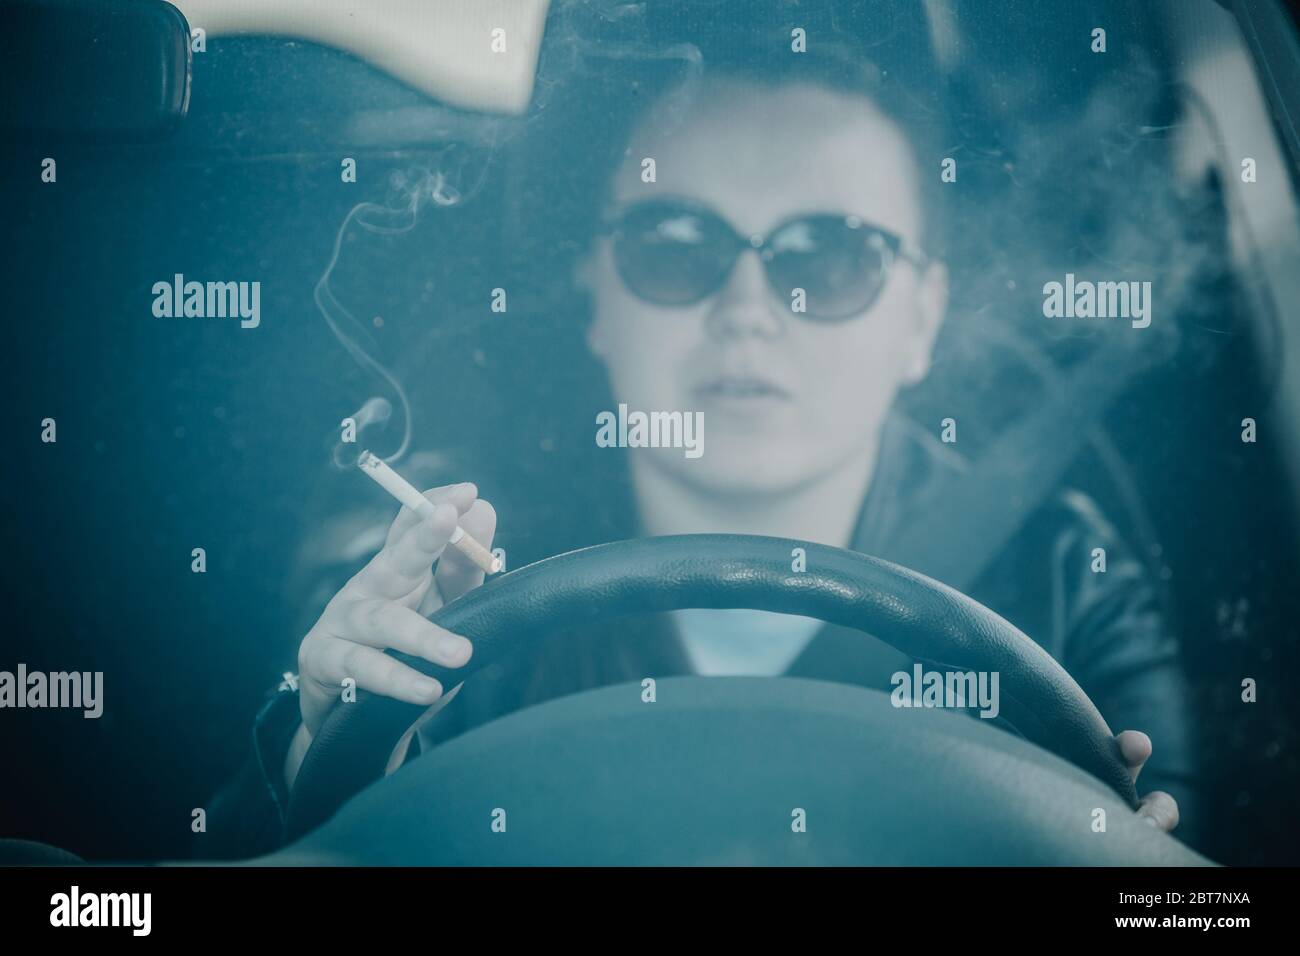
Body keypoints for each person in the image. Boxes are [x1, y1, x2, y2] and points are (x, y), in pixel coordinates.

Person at [199, 0, 1199, 859]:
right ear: (595, 295)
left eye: (828, 255)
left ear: (921, 316)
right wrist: (321, 757)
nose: (748, 307)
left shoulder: (1062, 573)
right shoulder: (451, 586)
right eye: (677, 246)